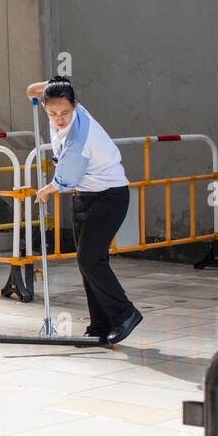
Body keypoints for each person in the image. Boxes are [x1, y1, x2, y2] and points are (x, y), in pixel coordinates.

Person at [26, 75, 143, 345]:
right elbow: (43, 88)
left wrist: (44, 191)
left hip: (109, 196)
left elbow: (66, 179)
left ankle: (125, 314)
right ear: (45, 107)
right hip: (85, 197)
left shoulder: (79, 139)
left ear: (76, 106)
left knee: (89, 259)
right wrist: (34, 90)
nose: (59, 119)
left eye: (65, 113)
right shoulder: (60, 101)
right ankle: (100, 325)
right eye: (53, 113)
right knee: (88, 263)